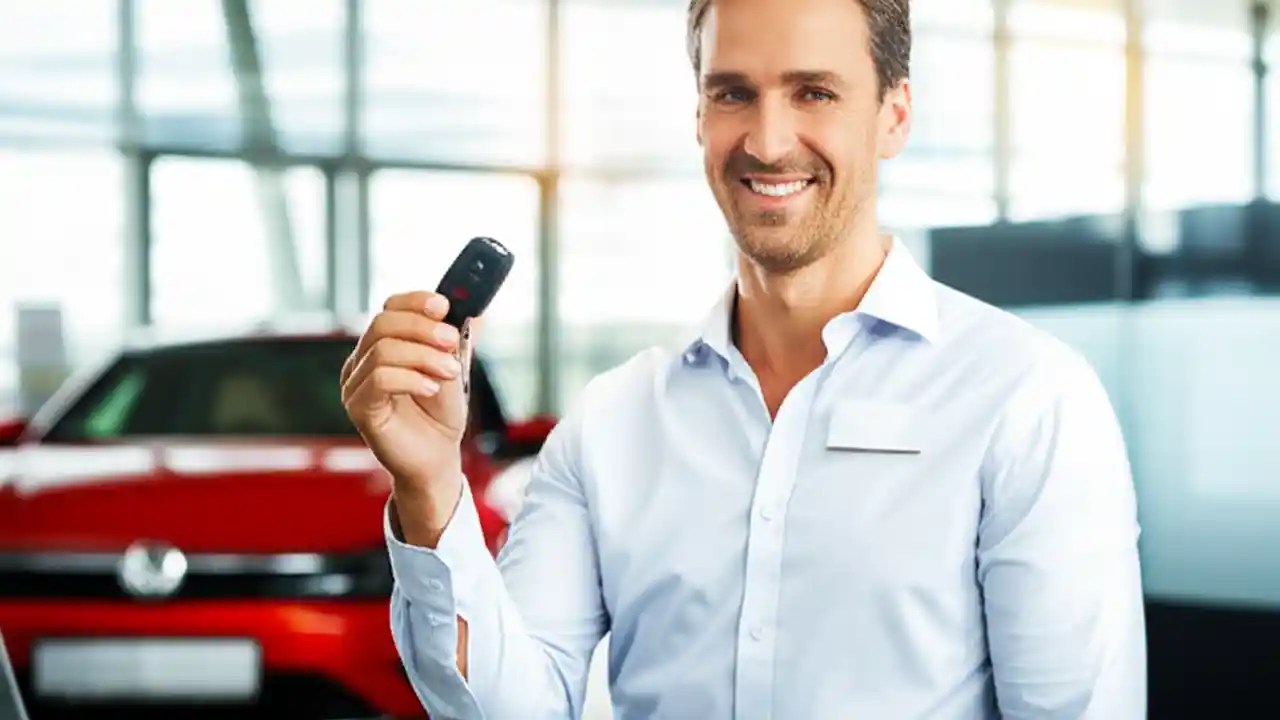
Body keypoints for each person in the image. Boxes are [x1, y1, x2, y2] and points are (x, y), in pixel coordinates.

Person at [339, 0, 1147, 717]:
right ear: (699, 116)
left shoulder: (1025, 396)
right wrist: (430, 485)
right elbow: (516, 707)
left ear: (894, 115)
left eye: (815, 93)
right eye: (733, 93)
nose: (766, 139)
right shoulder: (615, 419)